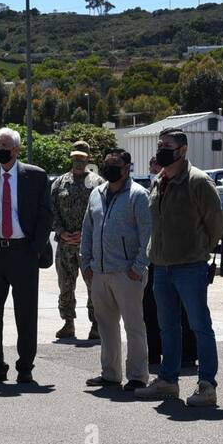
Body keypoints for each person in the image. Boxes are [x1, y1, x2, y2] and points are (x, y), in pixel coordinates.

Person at [136, 129, 223, 406]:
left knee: (199, 326)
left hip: (190, 266)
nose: (162, 149)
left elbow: (217, 223)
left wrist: (199, 250)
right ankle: (168, 381)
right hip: (161, 266)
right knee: (167, 327)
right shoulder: (158, 181)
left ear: (183, 150)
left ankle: (207, 385)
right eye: (160, 145)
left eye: (168, 146)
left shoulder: (198, 181)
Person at [0, 127, 52, 384]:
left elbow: (45, 215)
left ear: (16, 149)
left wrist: (35, 248)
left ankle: (25, 366)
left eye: (5, 146)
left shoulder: (36, 176)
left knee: (25, 314)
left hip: (23, 252)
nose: (0, 149)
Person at [80, 148, 151, 390]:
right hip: (98, 272)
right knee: (106, 325)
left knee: (134, 326)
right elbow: (88, 230)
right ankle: (110, 374)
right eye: (107, 163)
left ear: (127, 167)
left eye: (115, 164)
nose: (110, 167)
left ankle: (138, 376)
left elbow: (148, 237)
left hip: (127, 273)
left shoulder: (139, 195)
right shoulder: (96, 193)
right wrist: (85, 262)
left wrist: (138, 267)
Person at [50, 141, 101, 340]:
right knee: (65, 285)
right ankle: (68, 322)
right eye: (75, 157)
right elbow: (51, 210)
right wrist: (61, 232)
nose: (78, 161)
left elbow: (101, 213)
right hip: (65, 245)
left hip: (88, 245)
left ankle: (96, 324)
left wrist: (86, 234)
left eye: (82, 157)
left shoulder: (98, 183)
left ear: (88, 158)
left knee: (94, 285)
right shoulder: (60, 183)